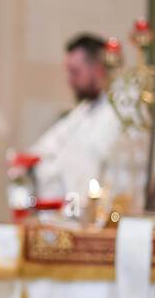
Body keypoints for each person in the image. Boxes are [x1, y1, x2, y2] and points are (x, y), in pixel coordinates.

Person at [20, 33, 124, 207]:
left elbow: (88, 162)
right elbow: (46, 147)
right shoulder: (82, 112)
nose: (69, 81)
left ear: (98, 69)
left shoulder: (120, 111)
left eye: (75, 72)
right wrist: (28, 160)